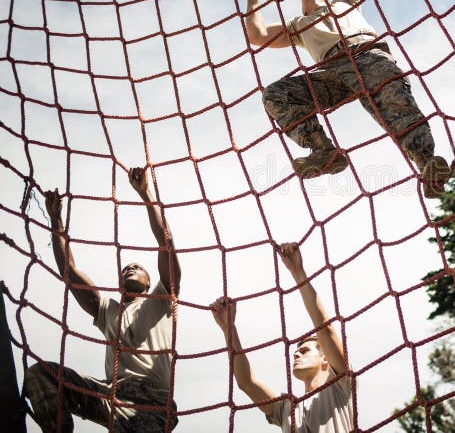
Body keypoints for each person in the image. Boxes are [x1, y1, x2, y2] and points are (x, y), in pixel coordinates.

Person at [240, 0, 452, 198]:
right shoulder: (298, 28)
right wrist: (252, 1)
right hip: (334, 71)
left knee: (393, 105)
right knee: (276, 94)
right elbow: (258, 36)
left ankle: (427, 164)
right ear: (302, 11)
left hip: (367, 54)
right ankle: (323, 150)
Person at [24, 167, 181, 432]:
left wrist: (146, 195)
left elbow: (166, 243)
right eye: (124, 269)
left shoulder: (161, 299)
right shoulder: (108, 309)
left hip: (152, 402)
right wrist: (56, 221)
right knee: (41, 375)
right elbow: (70, 273)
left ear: (148, 279)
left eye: (136, 267)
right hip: (112, 395)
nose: (129, 269)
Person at [210, 242, 352, 431]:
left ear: (325, 358)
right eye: (296, 352)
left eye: (304, 351)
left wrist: (298, 272)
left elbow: (325, 329)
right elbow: (246, 383)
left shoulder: (340, 383)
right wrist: (229, 329)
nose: (296, 354)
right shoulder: (287, 408)